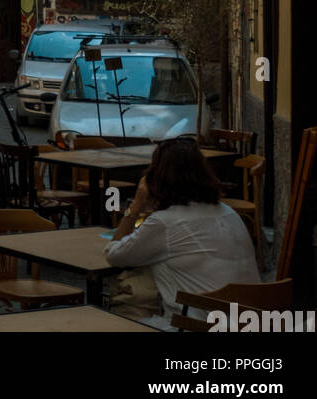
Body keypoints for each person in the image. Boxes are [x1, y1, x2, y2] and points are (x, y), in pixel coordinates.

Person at [104, 137, 259, 329]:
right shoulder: (229, 213)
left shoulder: (165, 222)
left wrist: (135, 207)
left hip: (199, 327)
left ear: (156, 178)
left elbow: (114, 256)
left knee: (118, 319)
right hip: (250, 324)